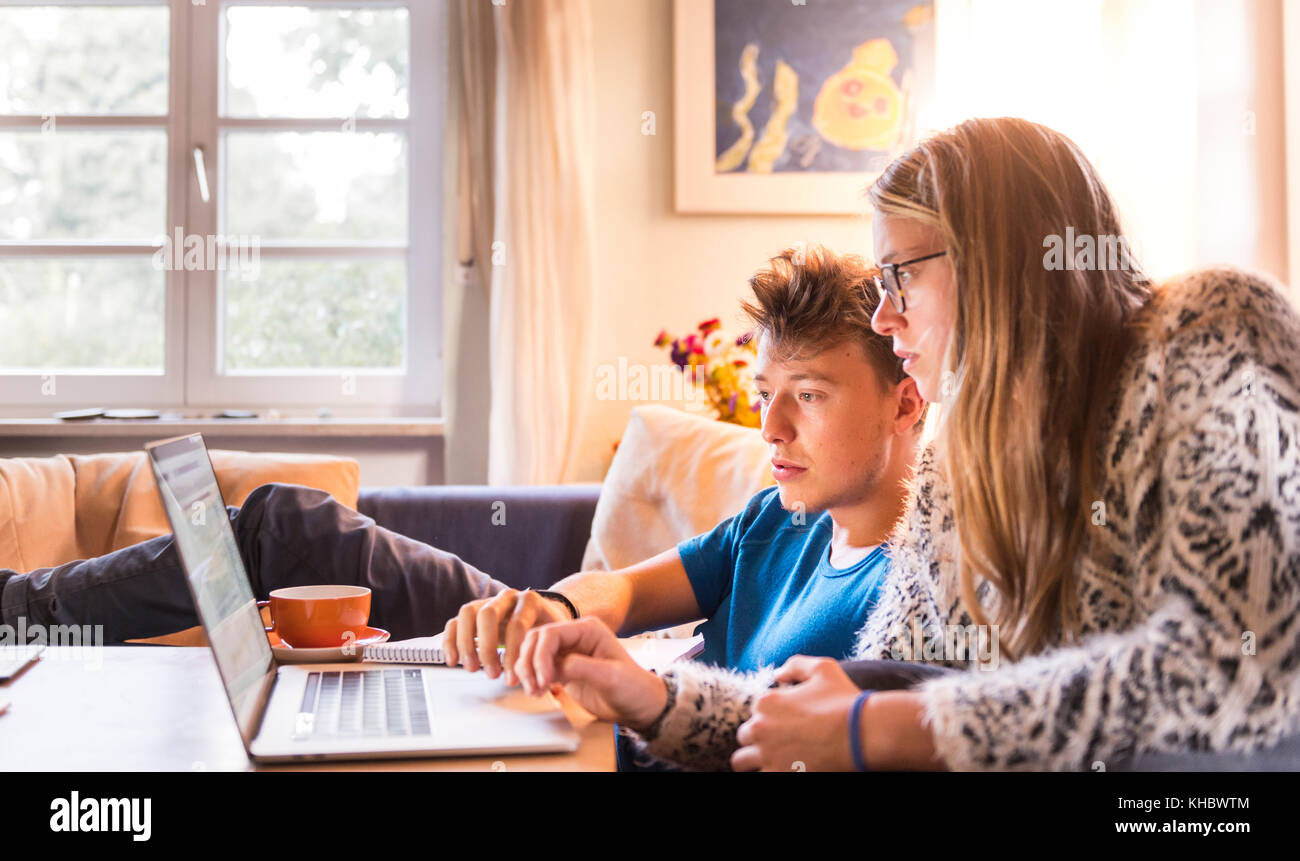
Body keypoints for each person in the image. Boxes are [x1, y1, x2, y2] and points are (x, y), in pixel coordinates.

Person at [505, 116, 1300, 771]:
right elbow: (852, 703)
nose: (885, 317)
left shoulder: (1206, 331)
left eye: (900, 277)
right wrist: (655, 702)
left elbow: (1230, 659)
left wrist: (882, 731)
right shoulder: (960, 467)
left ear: (997, 260)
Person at [441, 246, 927, 692]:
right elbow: (628, 590)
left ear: (905, 406)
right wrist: (558, 607)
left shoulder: (917, 589)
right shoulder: (775, 520)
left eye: (808, 395)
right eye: (764, 394)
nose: (770, 428)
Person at [0, 482, 504, 644]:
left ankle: (15, 610)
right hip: (525, 614)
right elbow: (585, 587)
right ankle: (20, 609)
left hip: (517, 619)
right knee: (275, 524)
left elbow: (588, 583)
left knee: (275, 527)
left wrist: (558, 609)